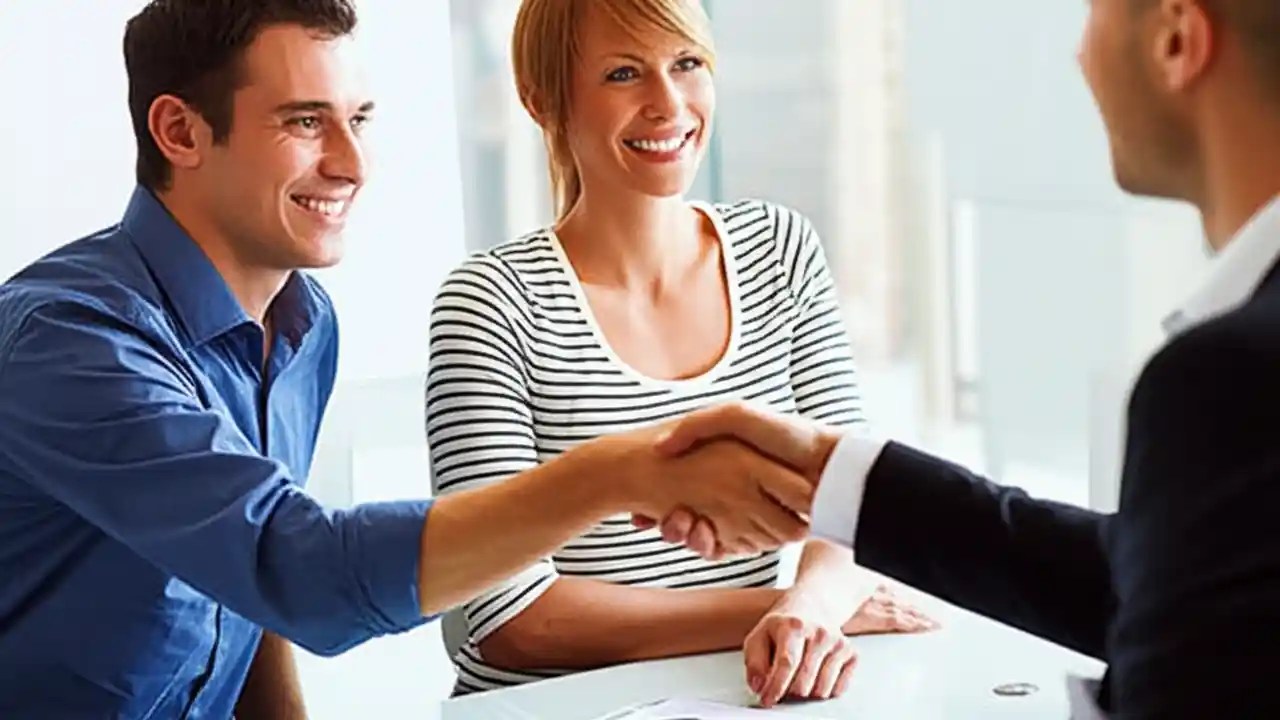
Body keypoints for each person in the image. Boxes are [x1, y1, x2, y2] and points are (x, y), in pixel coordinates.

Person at [0, 2, 816, 717]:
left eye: (358, 120)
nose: (353, 165)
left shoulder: (300, 324)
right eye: (303, 121)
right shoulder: (70, 340)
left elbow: (243, 591)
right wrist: (620, 472)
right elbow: (292, 566)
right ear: (181, 132)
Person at [649, 0, 1280, 715]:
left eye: (1092, 17)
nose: (1078, 59)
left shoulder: (1229, 378)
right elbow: (1168, 581)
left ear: (1176, 40)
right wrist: (831, 478)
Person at [426, 0, 935, 701]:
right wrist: (783, 612)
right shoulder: (491, 302)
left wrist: (811, 607)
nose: (668, 104)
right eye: (623, 73)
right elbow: (511, 620)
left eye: (687, 64)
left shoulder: (779, 252)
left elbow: (852, 502)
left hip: (731, 694)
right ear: (541, 98)